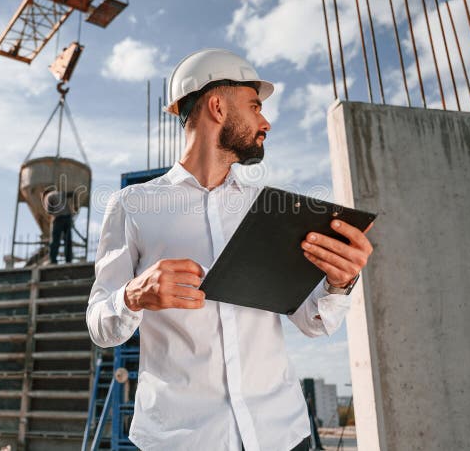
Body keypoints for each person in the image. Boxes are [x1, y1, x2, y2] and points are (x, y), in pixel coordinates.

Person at [86, 49, 374, 450]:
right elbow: (99, 326)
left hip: (282, 435)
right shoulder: (133, 206)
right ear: (217, 106)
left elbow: (314, 322)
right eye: (255, 106)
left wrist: (340, 283)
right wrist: (133, 296)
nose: (265, 121)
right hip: (183, 440)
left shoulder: (270, 209)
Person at [42, 188, 74, 264]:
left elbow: (49, 211)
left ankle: (53, 260)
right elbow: (72, 193)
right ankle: (68, 260)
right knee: (68, 240)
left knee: (55, 240)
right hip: (68, 218)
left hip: (58, 218)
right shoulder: (61, 193)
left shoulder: (48, 196)